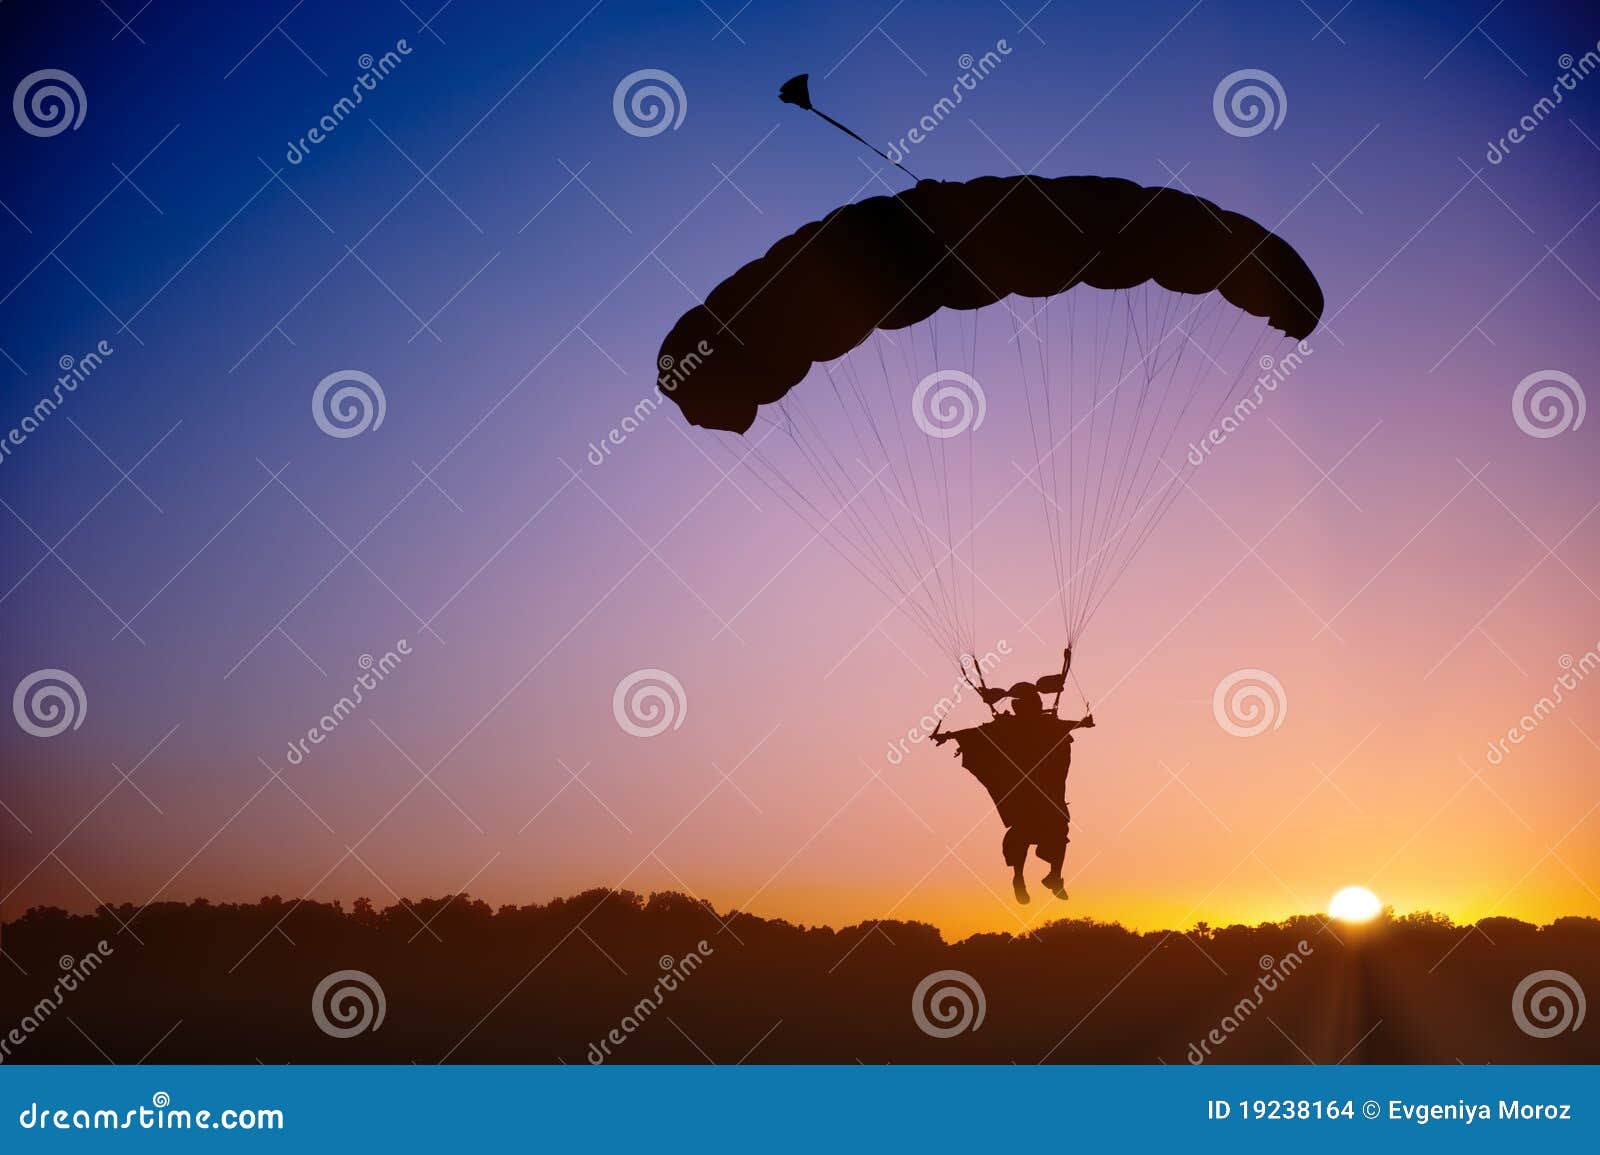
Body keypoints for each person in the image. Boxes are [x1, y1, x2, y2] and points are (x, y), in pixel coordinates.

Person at [933, 673, 1093, 904]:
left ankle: (1050, 877)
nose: (1038, 706)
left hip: (1039, 793)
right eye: (1034, 703)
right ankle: (1029, 878)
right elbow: (977, 733)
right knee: (1038, 832)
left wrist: (949, 735)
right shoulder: (1024, 726)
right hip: (1031, 793)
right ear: (1025, 706)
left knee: (1052, 831)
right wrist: (949, 735)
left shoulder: (1032, 725)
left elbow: (975, 733)